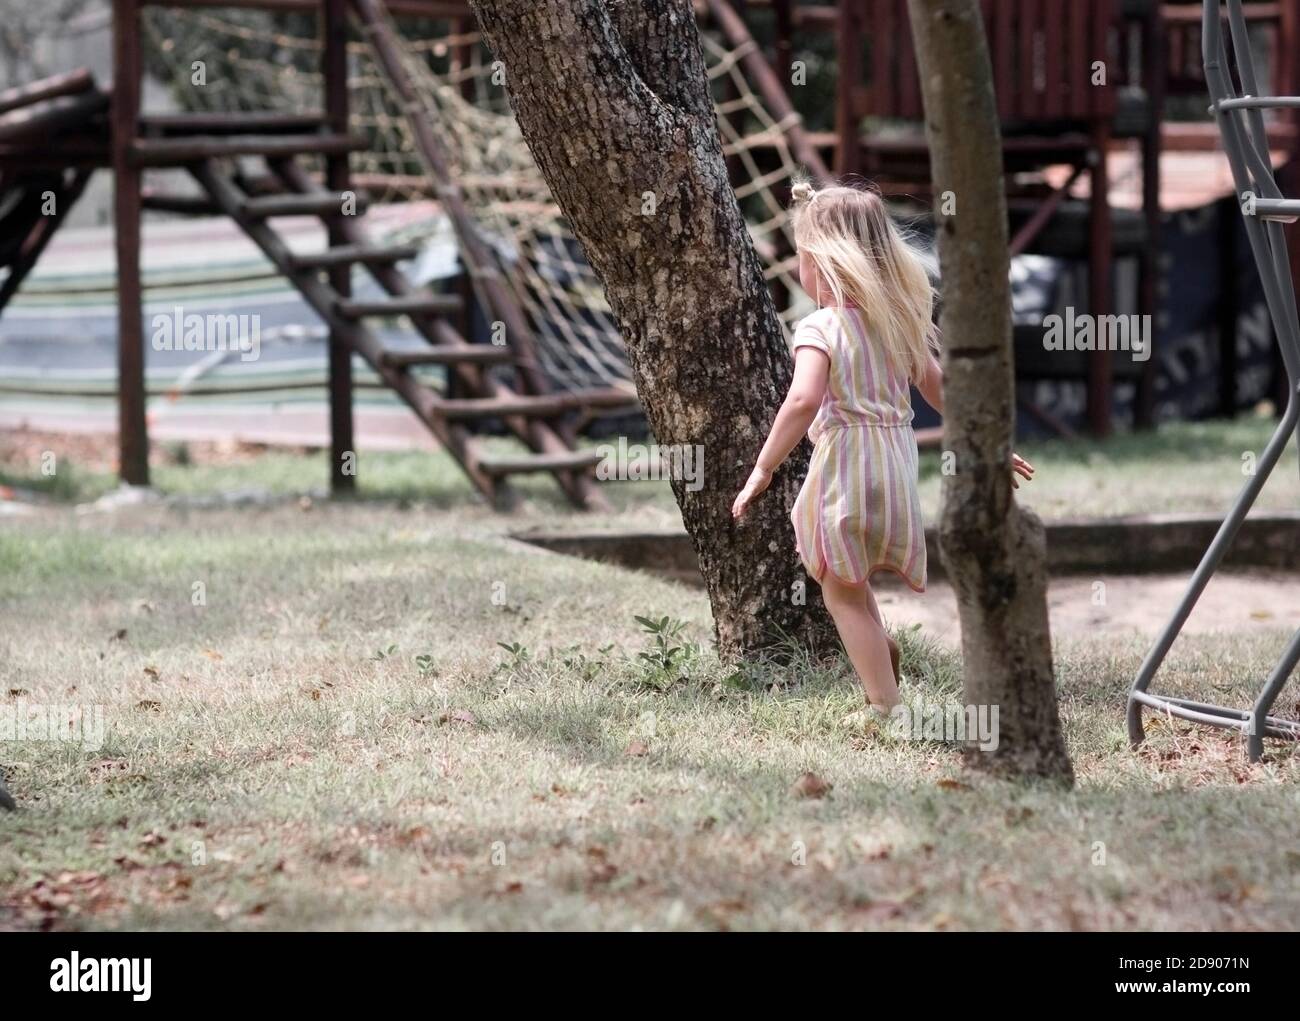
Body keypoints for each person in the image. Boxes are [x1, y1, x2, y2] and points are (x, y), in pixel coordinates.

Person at [732, 180, 1033, 715]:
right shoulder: (896, 326)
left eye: (802, 257)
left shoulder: (819, 327)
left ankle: (885, 706)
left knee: (838, 590)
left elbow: (802, 401)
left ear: (822, 262)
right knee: (851, 573)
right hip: (895, 467)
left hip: (845, 464)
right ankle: (881, 647)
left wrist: (764, 466)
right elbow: (940, 390)